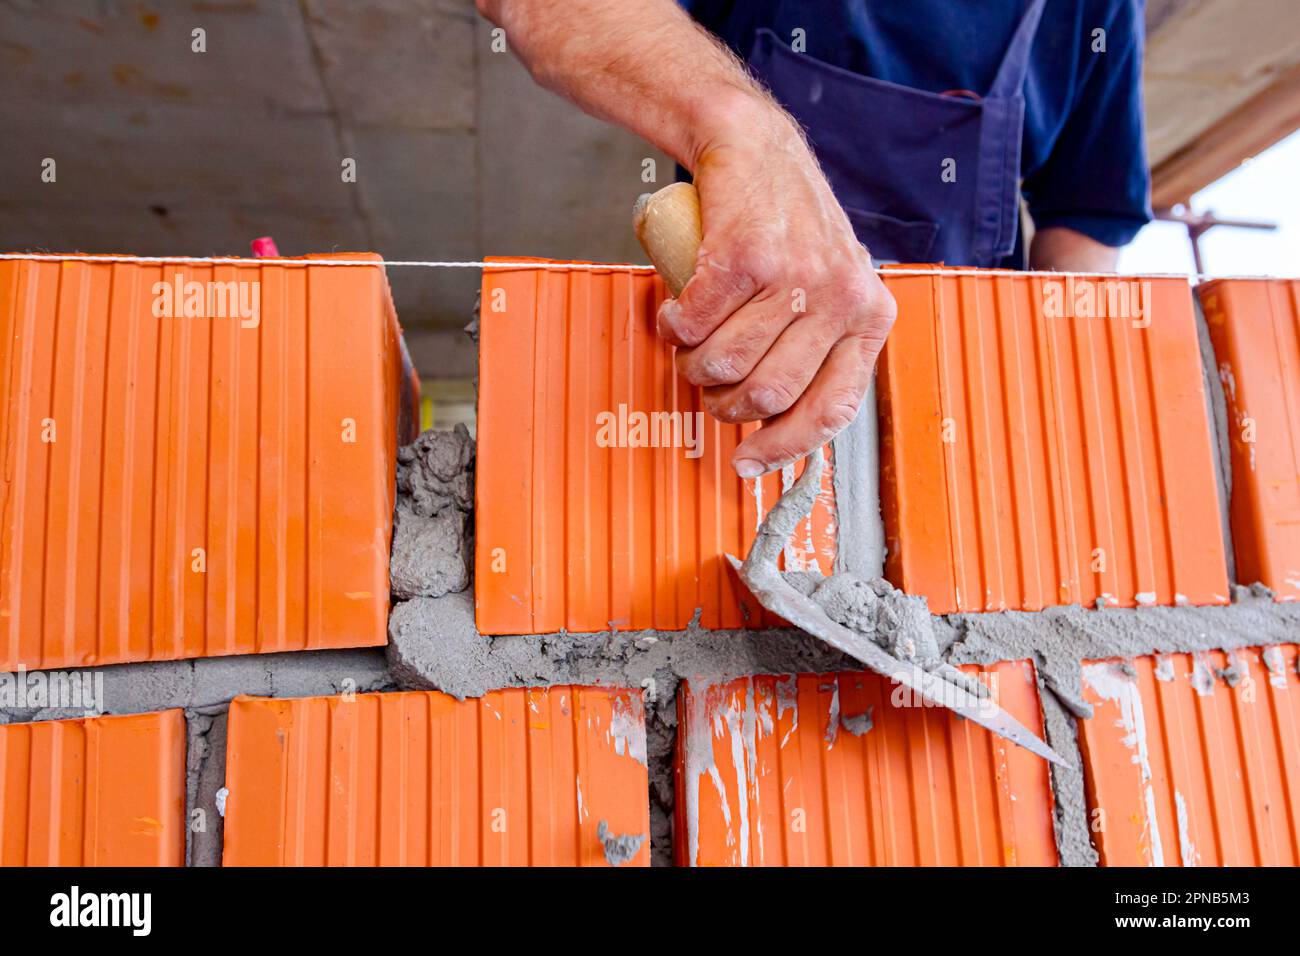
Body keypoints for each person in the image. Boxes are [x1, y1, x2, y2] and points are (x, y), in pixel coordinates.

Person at [477, 0, 1151, 477]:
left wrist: (1052, 425)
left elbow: (1087, 218)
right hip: (749, 387)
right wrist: (743, 128)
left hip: (957, 418)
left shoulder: (1095, 11)